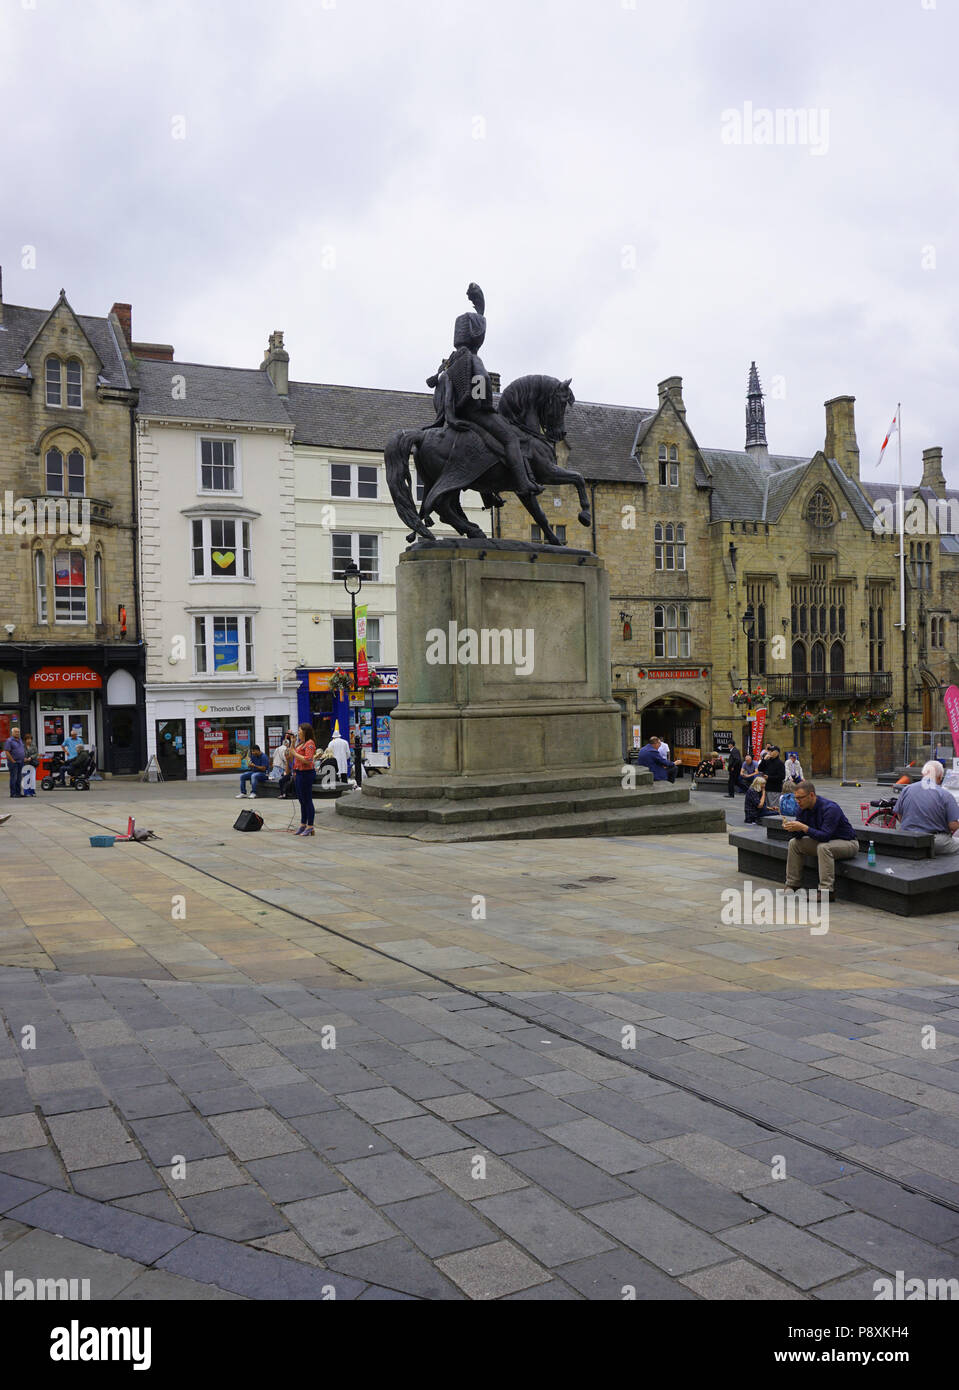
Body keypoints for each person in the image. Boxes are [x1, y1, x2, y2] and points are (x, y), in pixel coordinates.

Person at [781, 780, 858, 898]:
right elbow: (799, 836)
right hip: (824, 842)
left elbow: (825, 836)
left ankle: (826, 891)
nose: (798, 801)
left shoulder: (830, 808)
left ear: (811, 795)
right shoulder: (802, 808)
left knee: (823, 847)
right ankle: (793, 884)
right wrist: (793, 829)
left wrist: (804, 828)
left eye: (800, 798)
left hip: (848, 843)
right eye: (796, 798)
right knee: (794, 843)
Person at [895, 760, 959, 856]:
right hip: (934, 841)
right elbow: (953, 826)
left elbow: (900, 816)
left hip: (908, 838)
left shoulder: (906, 789)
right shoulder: (945, 795)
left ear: (923, 773)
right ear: (940, 776)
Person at [290, 723, 317, 836]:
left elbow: (308, 759)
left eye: (300, 730)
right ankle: (303, 824)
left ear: (305, 731)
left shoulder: (310, 743)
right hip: (298, 773)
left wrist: (295, 754)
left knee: (307, 799)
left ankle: (310, 825)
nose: (298, 732)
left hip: (306, 773)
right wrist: (292, 742)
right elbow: (291, 753)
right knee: (301, 800)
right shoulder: (301, 743)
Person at [3, 728, 25, 798]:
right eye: (15, 732)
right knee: (14, 778)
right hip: (13, 763)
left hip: (20, 762)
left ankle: (18, 793)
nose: (17, 733)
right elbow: (7, 751)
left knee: (19, 778)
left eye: (18, 732)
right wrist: (12, 760)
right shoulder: (9, 741)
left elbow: (21, 750)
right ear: (12, 733)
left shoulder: (20, 740)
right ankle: (13, 793)